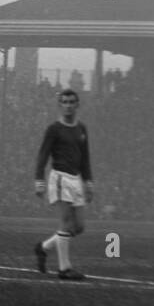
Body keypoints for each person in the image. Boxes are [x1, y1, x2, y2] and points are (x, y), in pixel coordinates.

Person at [33, 88, 94, 280]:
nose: (68, 106)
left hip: (76, 180)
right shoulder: (54, 129)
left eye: (71, 102)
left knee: (79, 227)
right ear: (60, 105)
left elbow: (85, 158)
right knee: (66, 223)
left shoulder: (81, 129)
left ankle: (43, 248)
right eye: (64, 102)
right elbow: (42, 156)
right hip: (59, 178)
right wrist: (39, 180)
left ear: (77, 105)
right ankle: (64, 268)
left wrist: (88, 181)